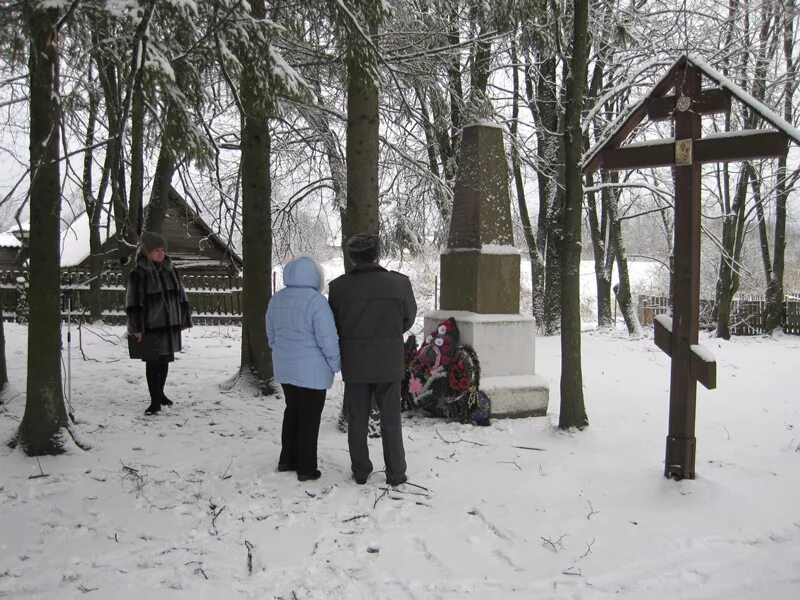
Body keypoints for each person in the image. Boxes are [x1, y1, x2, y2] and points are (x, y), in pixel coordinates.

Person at [328, 234, 417, 486]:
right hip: (388, 361)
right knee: (391, 419)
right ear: (377, 255)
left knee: (357, 418)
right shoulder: (399, 284)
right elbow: (408, 319)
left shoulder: (339, 288)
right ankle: (396, 472)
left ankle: (360, 471)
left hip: (355, 362)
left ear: (352, 258)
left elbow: (335, 322)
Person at [267, 256, 341, 482]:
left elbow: (271, 334)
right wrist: (336, 364)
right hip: (313, 372)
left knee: (292, 411)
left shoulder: (276, 299)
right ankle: (306, 468)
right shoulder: (316, 302)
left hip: (286, 369)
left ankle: (287, 459)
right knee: (309, 418)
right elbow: (327, 339)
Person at [126, 231, 192, 415]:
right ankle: (154, 400)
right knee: (153, 363)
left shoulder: (171, 269)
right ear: (146, 251)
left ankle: (161, 394)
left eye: (163, 250)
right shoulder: (139, 273)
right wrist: (136, 328)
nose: (161, 254)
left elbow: (181, 295)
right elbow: (133, 303)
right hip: (151, 327)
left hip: (169, 326)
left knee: (165, 361)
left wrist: (183, 318)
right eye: (156, 250)